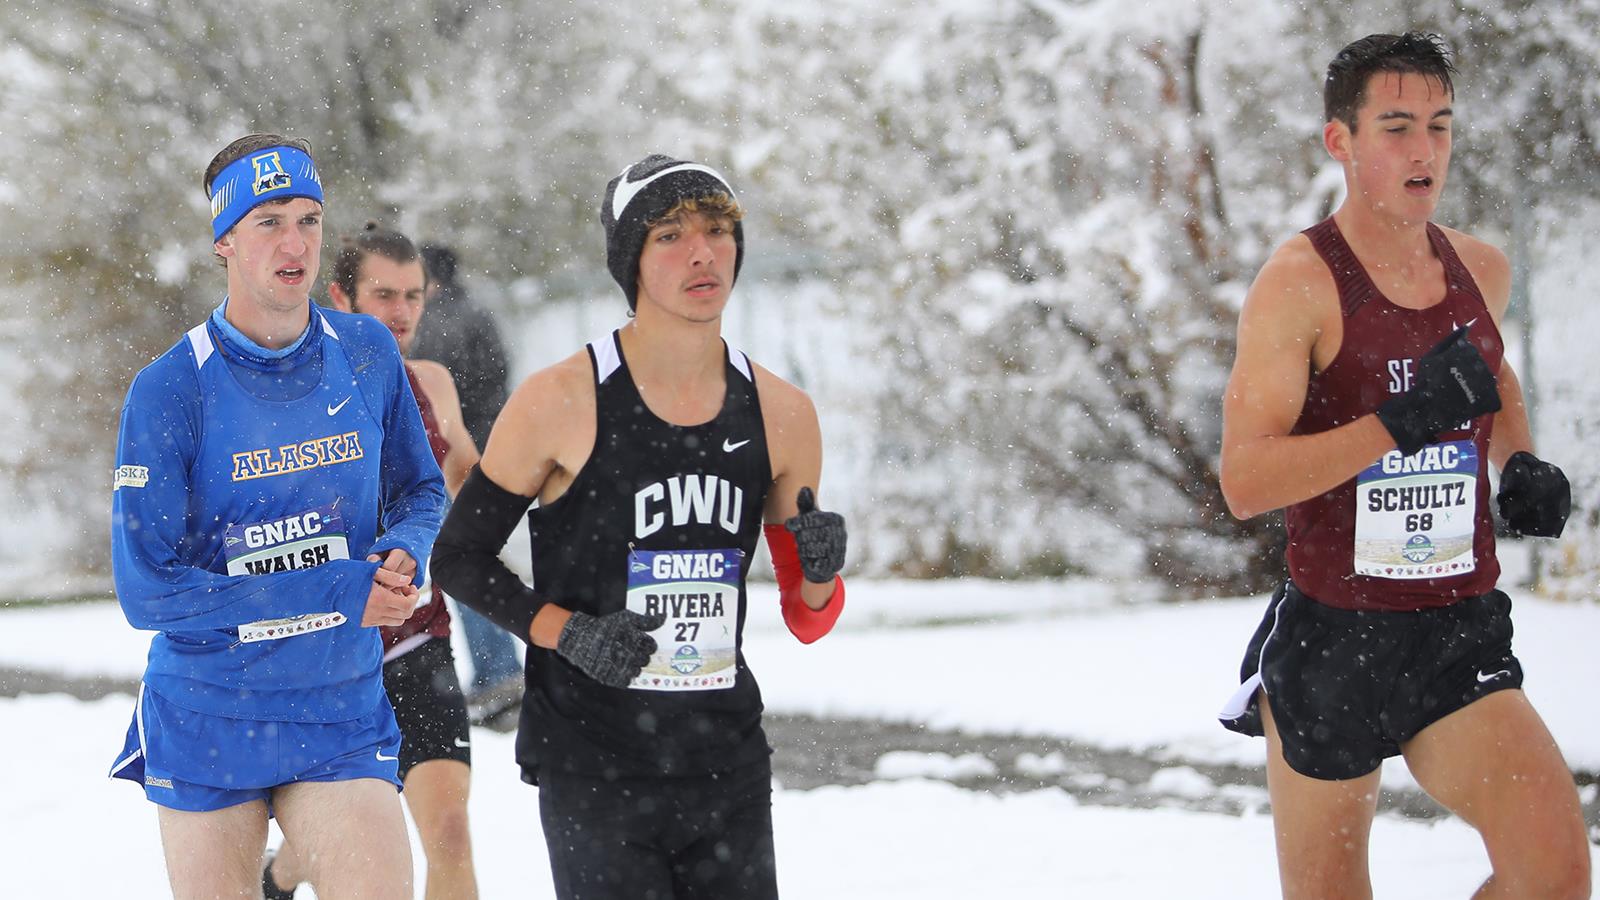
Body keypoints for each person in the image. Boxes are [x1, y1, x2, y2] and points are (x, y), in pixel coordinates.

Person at [1216, 33, 1586, 899]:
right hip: (1334, 636)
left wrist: (1518, 457)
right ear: (1340, 141)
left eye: (1440, 125)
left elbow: (1490, 373)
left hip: (1454, 630)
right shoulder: (1300, 284)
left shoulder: (1479, 270)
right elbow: (1245, 480)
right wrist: (1396, 424)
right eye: (1396, 127)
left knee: (1556, 875)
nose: (1425, 151)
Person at [431, 154, 849, 899]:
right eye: (669, 235)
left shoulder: (783, 413)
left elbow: (809, 618)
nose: (702, 252)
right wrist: (567, 632)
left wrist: (819, 571)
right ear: (630, 260)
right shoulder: (560, 398)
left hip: (726, 759)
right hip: (594, 763)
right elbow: (459, 558)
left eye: (718, 230)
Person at [107, 134, 446, 899]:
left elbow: (421, 491)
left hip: (337, 707)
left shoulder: (364, 351)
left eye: (309, 218)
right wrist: (333, 590)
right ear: (225, 240)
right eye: (268, 222)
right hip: (209, 716)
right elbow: (146, 590)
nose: (296, 243)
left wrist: (403, 549)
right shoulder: (169, 390)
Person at [264, 224, 482, 898]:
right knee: (336, 845)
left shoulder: (433, 383)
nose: (400, 313)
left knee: (448, 831)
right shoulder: (296, 394)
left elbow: (475, 486)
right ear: (340, 297)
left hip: (419, 642)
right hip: (331, 656)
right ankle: (281, 872)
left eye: (414, 296)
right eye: (383, 294)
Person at [411, 243, 524, 710]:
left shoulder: (433, 324)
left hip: (446, 460)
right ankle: (501, 670)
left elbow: (433, 402)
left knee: (455, 569)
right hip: (480, 453)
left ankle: (497, 673)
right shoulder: (477, 313)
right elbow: (499, 381)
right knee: (472, 563)